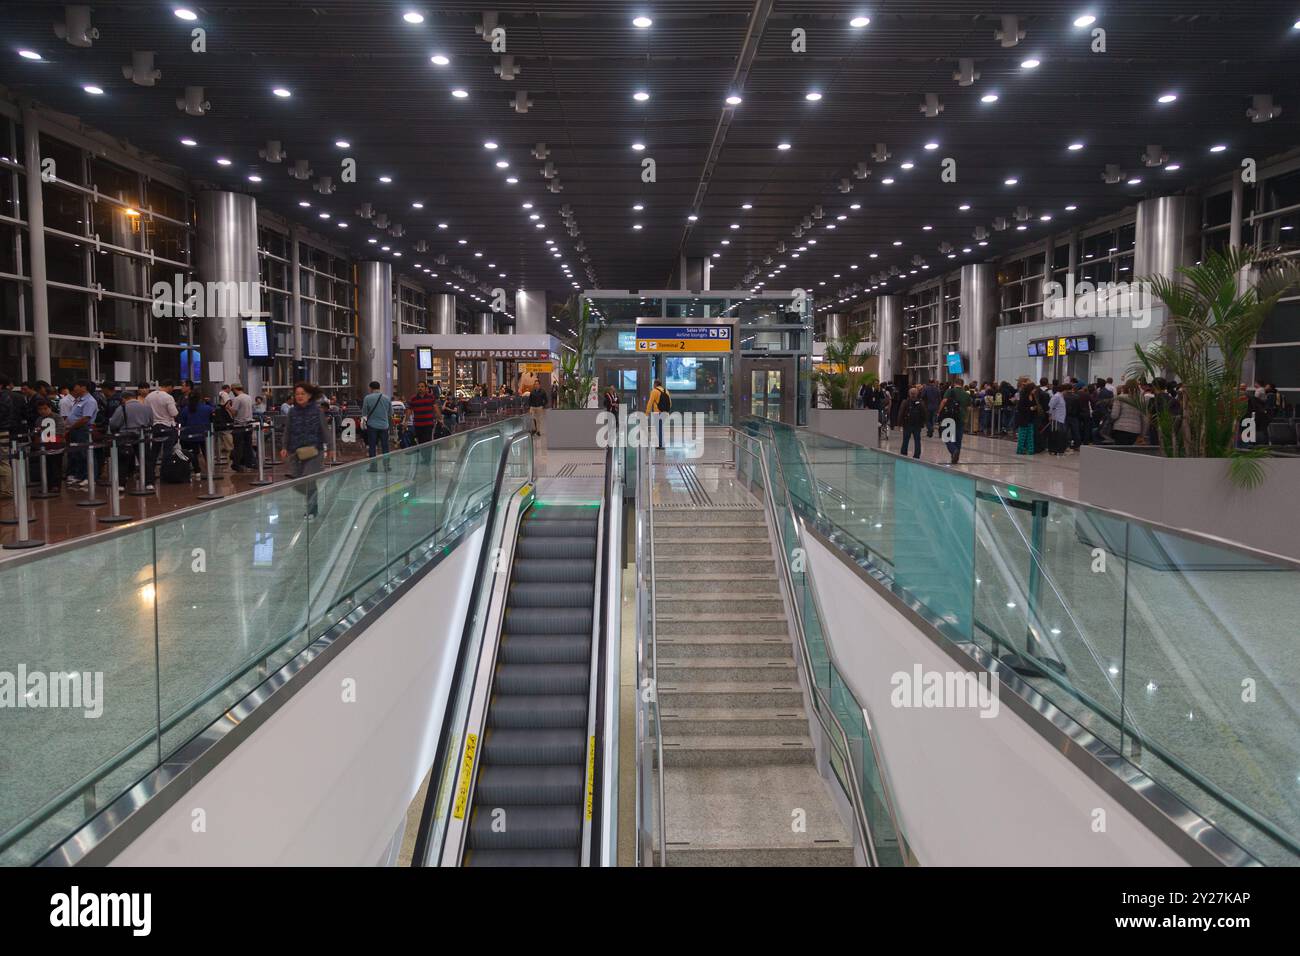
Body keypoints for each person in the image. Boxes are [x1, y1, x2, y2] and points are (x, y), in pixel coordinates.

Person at [279, 382, 329, 518]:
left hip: (314, 451)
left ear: (309, 395)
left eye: (303, 394)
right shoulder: (292, 412)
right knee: (298, 481)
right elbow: (287, 430)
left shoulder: (317, 411)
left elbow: (324, 429)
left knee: (309, 479)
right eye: (297, 394)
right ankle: (312, 499)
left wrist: (331, 448)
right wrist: (284, 447)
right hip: (296, 451)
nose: (299, 396)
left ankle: (312, 510)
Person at [109, 388, 155, 485]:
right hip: (143, 436)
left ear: (124, 398)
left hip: (126, 437)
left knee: (123, 460)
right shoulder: (146, 408)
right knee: (145, 459)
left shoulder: (122, 408)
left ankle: (121, 484)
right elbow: (151, 422)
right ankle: (149, 483)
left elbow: (114, 424)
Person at [63, 380, 99, 487]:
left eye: (76, 386)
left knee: (86, 454)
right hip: (75, 430)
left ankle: (90, 477)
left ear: (83, 388)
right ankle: (81, 476)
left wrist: (71, 427)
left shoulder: (89, 401)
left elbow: (85, 419)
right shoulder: (79, 400)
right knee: (78, 454)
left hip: (83, 430)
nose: (74, 389)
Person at [178, 390, 214, 476]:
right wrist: (209, 402)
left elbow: (182, 422)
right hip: (205, 434)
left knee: (193, 453)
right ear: (200, 398)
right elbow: (213, 410)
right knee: (207, 452)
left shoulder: (185, 409)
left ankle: (197, 470)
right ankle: (210, 470)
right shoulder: (206, 408)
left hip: (190, 434)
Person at [937, 377, 968, 465]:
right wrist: (966, 418)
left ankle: (953, 451)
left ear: (955, 383)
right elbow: (968, 407)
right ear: (962, 384)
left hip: (949, 416)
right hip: (960, 418)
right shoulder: (966, 394)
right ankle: (955, 457)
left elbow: (944, 401)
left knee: (946, 436)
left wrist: (939, 412)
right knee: (958, 438)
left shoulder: (950, 391)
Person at [360, 380, 392, 463]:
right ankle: (386, 465)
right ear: (379, 388)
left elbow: (364, 413)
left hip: (372, 426)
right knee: (385, 446)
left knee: (372, 446)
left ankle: (373, 466)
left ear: (370, 388)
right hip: (384, 426)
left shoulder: (367, 398)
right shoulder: (387, 398)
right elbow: (391, 413)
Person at [227, 382, 256, 472]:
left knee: (238, 446)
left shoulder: (237, 399)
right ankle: (249, 463)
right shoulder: (248, 397)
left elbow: (234, 413)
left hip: (239, 425)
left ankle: (236, 464)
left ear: (235, 389)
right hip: (248, 424)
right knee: (248, 446)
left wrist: (228, 407)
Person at [900, 386, 925, 459]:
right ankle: (917, 455)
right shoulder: (920, 402)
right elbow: (924, 413)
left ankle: (903, 453)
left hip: (907, 424)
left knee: (905, 439)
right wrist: (923, 423)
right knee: (917, 440)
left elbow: (901, 412)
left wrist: (899, 423)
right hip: (917, 424)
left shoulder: (905, 402)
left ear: (909, 394)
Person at [1015, 381, 1037, 455]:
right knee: (1022, 435)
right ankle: (1020, 449)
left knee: (1030, 435)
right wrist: (1030, 408)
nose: (1035, 391)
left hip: (1030, 418)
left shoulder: (1033, 396)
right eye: (1034, 389)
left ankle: (1030, 449)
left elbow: (1034, 405)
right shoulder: (1024, 396)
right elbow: (1020, 408)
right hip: (1023, 418)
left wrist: (1034, 408)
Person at [646, 378, 670, 448]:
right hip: (665, 413)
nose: (653, 385)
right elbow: (670, 403)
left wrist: (647, 413)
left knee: (658, 429)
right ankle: (662, 443)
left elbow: (650, 403)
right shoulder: (666, 391)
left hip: (657, 412)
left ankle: (661, 445)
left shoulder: (654, 391)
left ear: (655, 384)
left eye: (654, 384)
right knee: (661, 428)